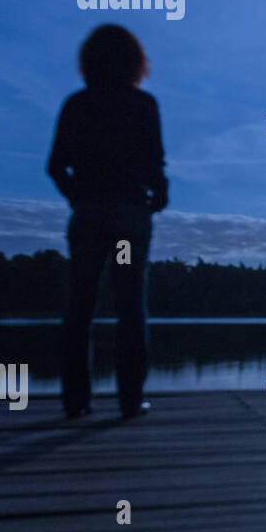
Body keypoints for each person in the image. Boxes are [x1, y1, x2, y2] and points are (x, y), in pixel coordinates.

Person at [47, 24, 168, 419]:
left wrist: (77, 199)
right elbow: (156, 168)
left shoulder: (76, 105)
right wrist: (151, 201)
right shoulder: (142, 105)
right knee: (129, 306)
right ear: (136, 62)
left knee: (80, 306)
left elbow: (54, 166)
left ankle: (75, 401)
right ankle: (130, 402)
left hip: (90, 216)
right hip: (128, 219)